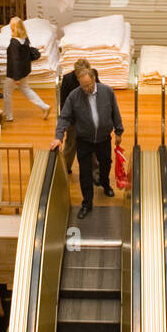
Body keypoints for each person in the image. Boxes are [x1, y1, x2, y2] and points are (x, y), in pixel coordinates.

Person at [48, 66, 124, 219]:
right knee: (85, 173)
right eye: (83, 86)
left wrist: (118, 131)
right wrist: (58, 136)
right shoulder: (74, 96)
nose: (87, 89)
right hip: (84, 139)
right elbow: (64, 117)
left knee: (106, 163)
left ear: (94, 80)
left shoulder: (107, 92)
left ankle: (105, 183)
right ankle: (86, 203)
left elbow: (115, 112)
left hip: (103, 139)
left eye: (89, 85)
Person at [2, 17, 50, 122]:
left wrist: (16, 77)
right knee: (26, 89)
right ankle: (44, 106)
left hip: (15, 73)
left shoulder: (14, 42)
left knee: (7, 92)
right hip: (25, 70)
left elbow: (15, 60)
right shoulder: (25, 38)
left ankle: (8, 116)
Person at [57, 58, 98, 176]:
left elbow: (99, 91)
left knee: (92, 146)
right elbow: (63, 102)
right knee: (71, 144)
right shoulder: (67, 79)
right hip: (74, 118)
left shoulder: (93, 75)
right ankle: (64, 170)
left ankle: (95, 171)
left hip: (90, 117)